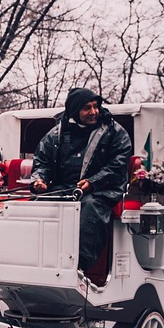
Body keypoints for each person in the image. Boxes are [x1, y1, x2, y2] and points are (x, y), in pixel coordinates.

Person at [30, 87, 133, 272]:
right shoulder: (56, 133)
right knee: (38, 203)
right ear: (75, 110)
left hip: (103, 190)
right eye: (87, 108)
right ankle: (36, 259)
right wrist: (39, 180)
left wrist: (93, 182)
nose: (93, 112)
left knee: (91, 206)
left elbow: (118, 165)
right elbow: (41, 162)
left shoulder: (115, 132)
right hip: (65, 188)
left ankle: (80, 267)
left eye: (96, 107)